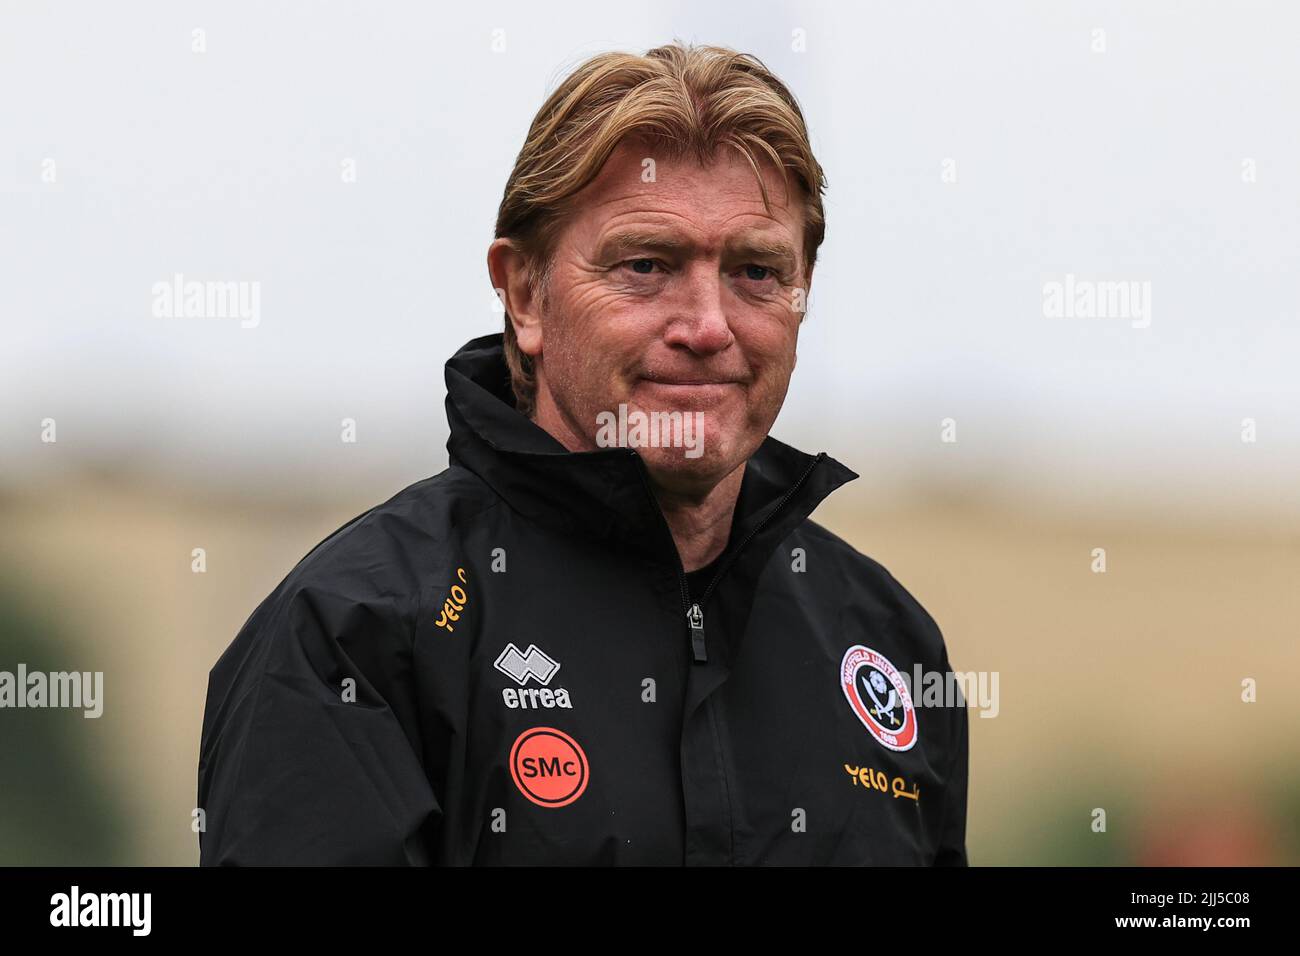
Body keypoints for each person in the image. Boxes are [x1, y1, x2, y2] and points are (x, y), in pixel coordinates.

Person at [197, 41, 968, 865]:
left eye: (754, 271)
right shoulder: (358, 634)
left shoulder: (886, 643)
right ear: (526, 294)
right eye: (646, 266)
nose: (707, 326)